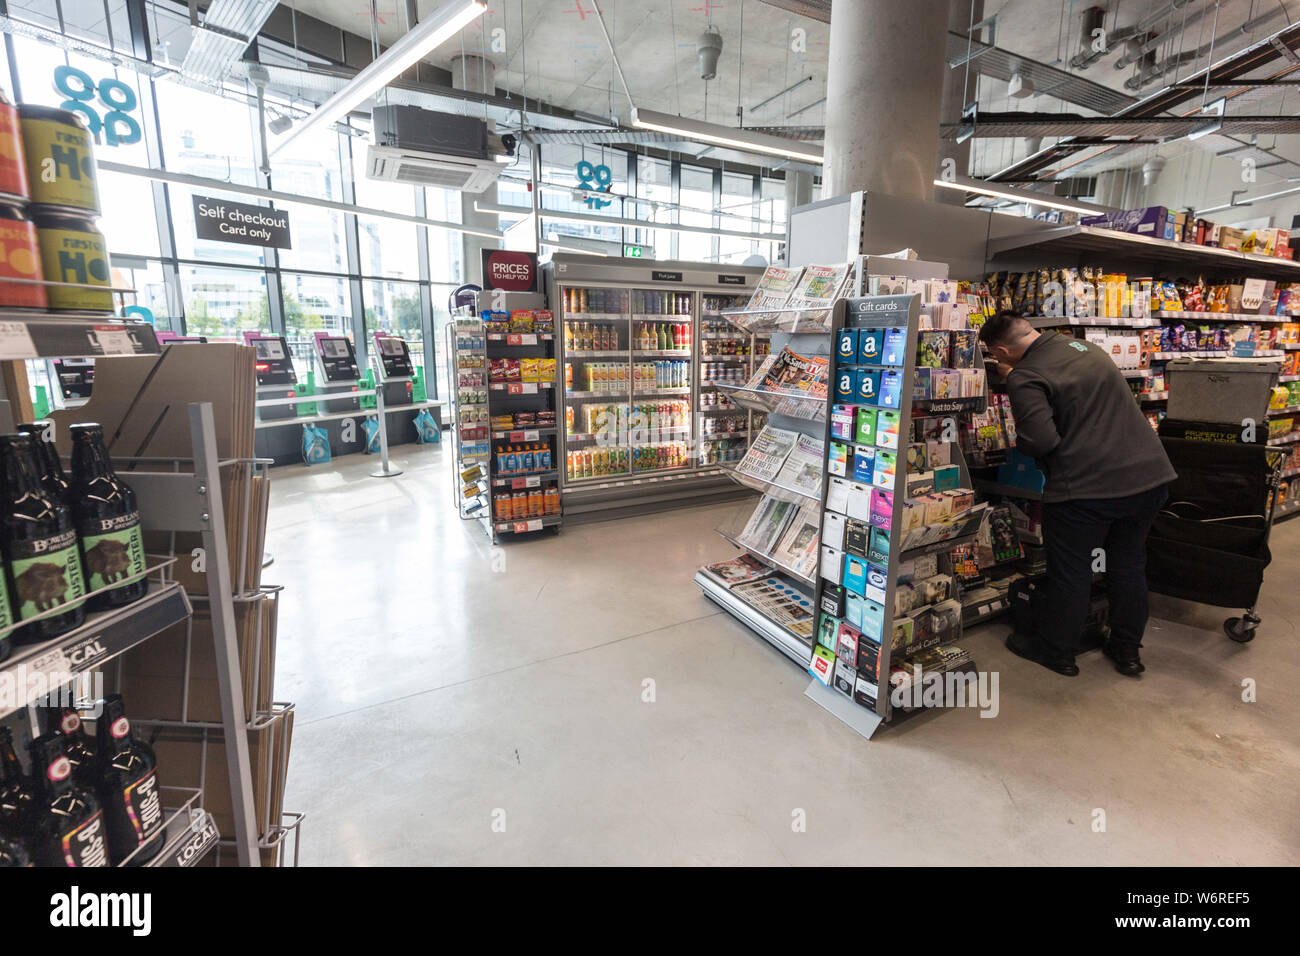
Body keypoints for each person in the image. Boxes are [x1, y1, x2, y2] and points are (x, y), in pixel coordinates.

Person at [979, 311, 1176, 678]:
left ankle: (1057, 652)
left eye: (995, 355)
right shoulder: (1085, 347)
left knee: (1071, 572)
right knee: (1129, 564)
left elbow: (1040, 440)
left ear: (1002, 351)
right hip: (1149, 478)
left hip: (1087, 489)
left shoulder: (1026, 376)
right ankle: (1127, 652)